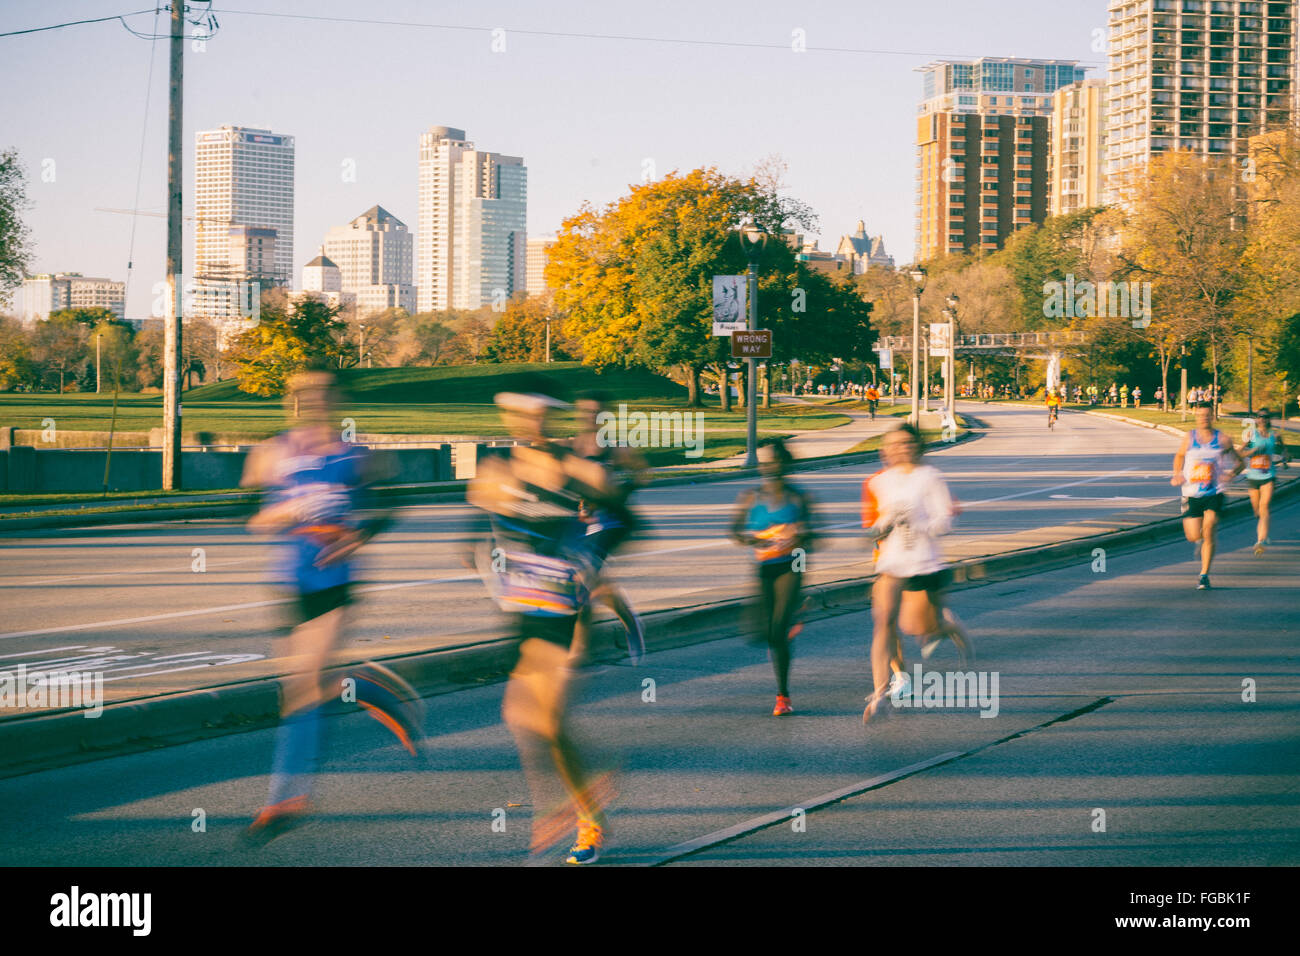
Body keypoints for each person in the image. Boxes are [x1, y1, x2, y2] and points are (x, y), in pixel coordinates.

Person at [240, 371, 414, 845]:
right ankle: (363, 688)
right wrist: (285, 513)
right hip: (289, 580)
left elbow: (392, 508)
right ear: (289, 398)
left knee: (305, 682)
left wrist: (358, 536)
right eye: (299, 391)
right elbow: (253, 520)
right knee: (298, 690)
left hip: (335, 579)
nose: (309, 398)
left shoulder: (359, 455)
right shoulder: (270, 453)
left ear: (338, 398)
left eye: (320, 391)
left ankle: (287, 797)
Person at [469, 386, 624, 865]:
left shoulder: (577, 471)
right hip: (522, 611)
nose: (527, 425)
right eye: (517, 415)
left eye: (537, 415)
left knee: (549, 721)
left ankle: (587, 821)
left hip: (564, 611)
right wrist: (488, 562)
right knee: (523, 719)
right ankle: (577, 802)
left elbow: (626, 521)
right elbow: (475, 531)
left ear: (552, 418)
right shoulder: (497, 471)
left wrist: (587, 558)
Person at [861, 423, 971, 724]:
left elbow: (944, 521)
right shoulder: (880, 482)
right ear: (885, 450)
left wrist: (917, 523)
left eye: (907, 443)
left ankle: (948, 628)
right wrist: (879, 528)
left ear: (917, 446)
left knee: (922, 628)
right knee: (883, 622)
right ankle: (880, 693)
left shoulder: (930, 477)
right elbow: (881, 519)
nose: (900, 448)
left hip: (925, 562)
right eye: (893, 444)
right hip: (891, 562)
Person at [730, 439, 816, 716]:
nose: (772, 468)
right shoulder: (750, 497)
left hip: (792, 565)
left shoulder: (798, 498)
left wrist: (798, 532)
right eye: (767, 463)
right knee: (765, 634)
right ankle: (793, 613)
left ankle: (783, 697)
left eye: (777, 462)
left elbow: (817, 536)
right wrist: (754, 539)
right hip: (764, 566)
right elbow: (734, 532)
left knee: (778, 631)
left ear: (788, 465)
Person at [569, 390, 648, 663]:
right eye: (585, 412)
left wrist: (615, 491)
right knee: (587, 584)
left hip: (610, 523)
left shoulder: (615, 447)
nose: (590, 417)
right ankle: (629, 621)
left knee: (583, 581)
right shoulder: (573, 446)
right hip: (581, 526)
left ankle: (580, 651)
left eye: (596, 412)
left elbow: (644, 475)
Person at [1171, 403, 1245, 589]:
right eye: (1200, 415)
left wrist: (1231, 474)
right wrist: (1177, 473)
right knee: (1193, 535)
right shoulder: (1189, 437)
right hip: (1191, 493)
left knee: (1210, 527)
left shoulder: (1223, 439)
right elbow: (1179, 456)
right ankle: (1199, 542)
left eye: (1207, 415)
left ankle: (1204, 575)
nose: (1203, 418)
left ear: (1213, 416)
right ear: (1196, 417)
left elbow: (1240, 463)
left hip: (1215, 491)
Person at [1239, 409, 1289, 554]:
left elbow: (1284, 449)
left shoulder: (1275, 435)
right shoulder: (1251, 434)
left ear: (1269, 419)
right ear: (1256, 419)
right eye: (1260, 417)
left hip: (1268, 476)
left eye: (1266, 417)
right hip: (1253, 477)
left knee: (1264, 506)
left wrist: (1285, 458)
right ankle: (1262, 530)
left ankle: (1261, 539)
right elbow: (1240, 452)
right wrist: (1252, 451)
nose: (1263, 419)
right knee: (1257, 510)